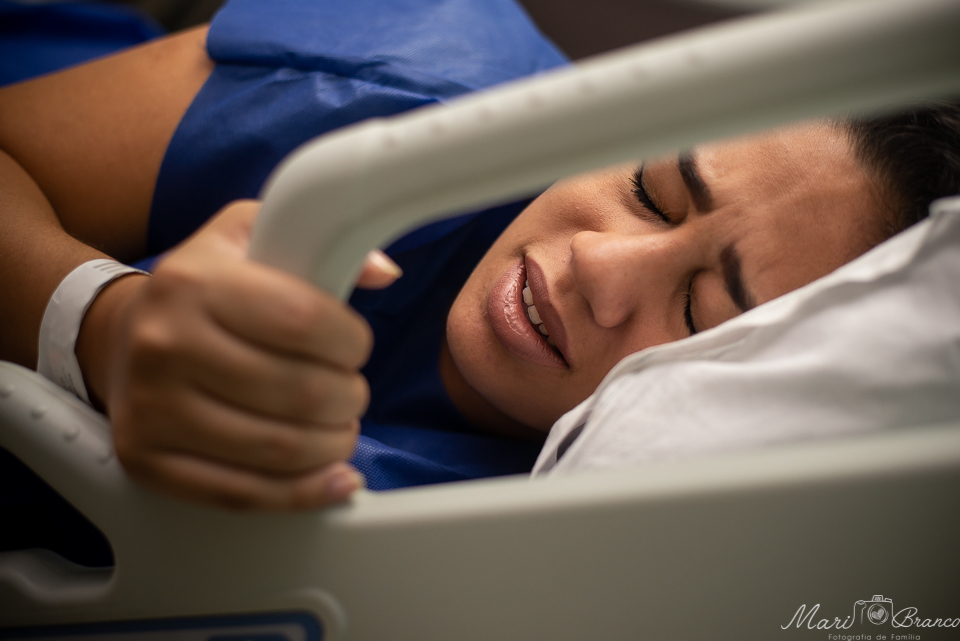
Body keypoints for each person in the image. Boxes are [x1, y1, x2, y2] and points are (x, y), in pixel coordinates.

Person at [1, 0, 958, 520]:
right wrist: (100, 321)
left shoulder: (525, 549)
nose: (601, 266)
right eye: (651, 191)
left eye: (703, 315)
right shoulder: (408, 71)